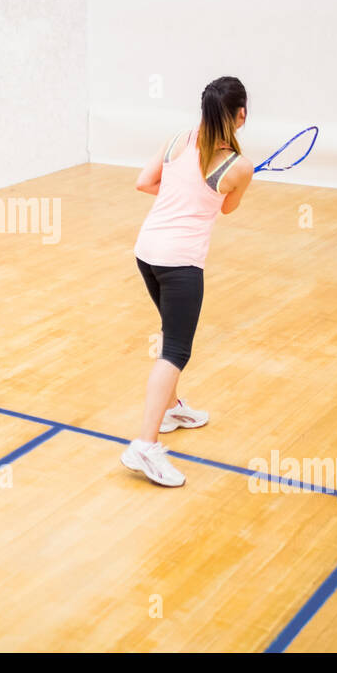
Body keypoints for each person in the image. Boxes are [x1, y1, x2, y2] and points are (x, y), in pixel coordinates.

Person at [122, 76, 254, 486]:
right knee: (176, 350)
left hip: (147, 253)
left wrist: (178, 197)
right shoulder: (238, 166)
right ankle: (145, 445)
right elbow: (228, 208)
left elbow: (145, 183)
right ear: (241, 115)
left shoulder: (179, 139)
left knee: (170, 334)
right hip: (181, 265)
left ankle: (173, 406)